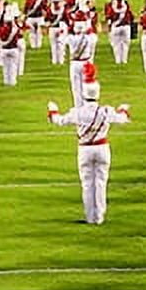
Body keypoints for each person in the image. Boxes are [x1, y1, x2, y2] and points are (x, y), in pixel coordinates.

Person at [46, 67, 131, 225]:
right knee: (101, 182)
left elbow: (59, 120)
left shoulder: (78, 112)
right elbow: (122, 118)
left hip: (85, 149)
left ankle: (90, 217)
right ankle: (100, 217)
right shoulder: (105, 111)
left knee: (87, 183)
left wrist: (52, 109)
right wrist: (124, 108)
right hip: (102, 148)